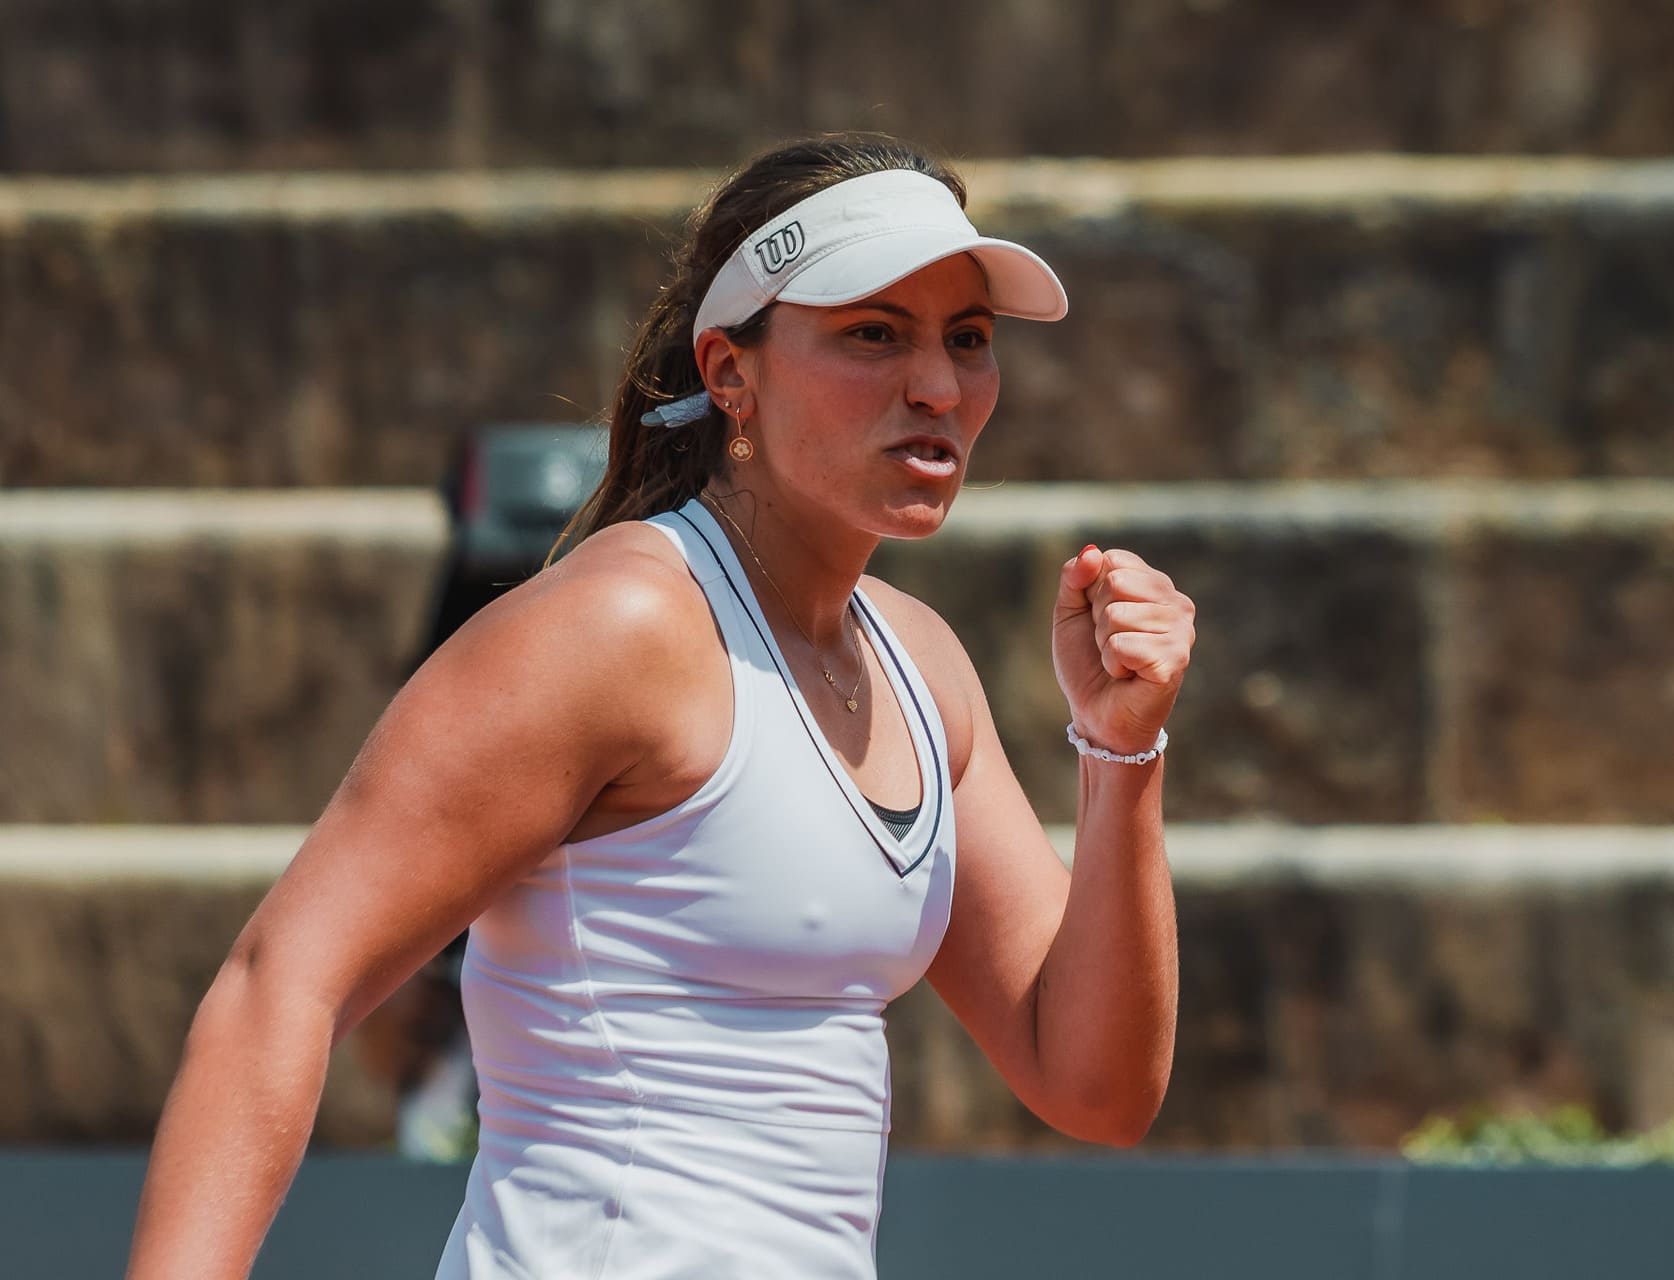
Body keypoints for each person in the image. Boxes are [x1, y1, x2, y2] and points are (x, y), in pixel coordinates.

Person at [126, 133, 1194, 1279]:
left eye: (967, 339)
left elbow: (1095, 1085)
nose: (937, 383)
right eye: (873, 333)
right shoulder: (615, 629)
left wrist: (1120, 753)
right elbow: (275, 986)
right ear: (731, 371)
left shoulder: (921, 664)